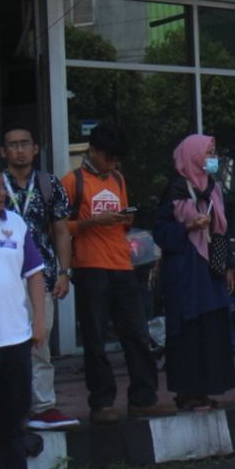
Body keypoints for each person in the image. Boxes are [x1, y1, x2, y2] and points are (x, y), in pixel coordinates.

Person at [61, 125, 174, 424]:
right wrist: (93, 221)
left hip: (122, 265)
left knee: (137, 334)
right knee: (95, 338)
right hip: (89, 267)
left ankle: (143, 398)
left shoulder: (117, 179)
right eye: (109, 158)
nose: (113, 164)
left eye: (117, 160)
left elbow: (124, 222)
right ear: (93, 151)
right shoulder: (73, 182)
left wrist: (124, 219)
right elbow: (60, 228)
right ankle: (101, 403)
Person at [0, 124, 78, 430]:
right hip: (1, 280)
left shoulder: (49, 185)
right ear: (3, 152)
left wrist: (63, 272)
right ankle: (0, 410)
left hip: (41, 276)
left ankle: (43, 407)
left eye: (24, 143)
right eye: (12, 145)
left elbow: (61, 231)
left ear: (35, 149)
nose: (19, 150)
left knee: (39, 343)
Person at [153, 135, 235, 411]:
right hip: (185, 272)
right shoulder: (175, 191)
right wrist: (188, 227)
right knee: (188, 332)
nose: (212, 158)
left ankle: (205, 390)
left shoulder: (214, 189)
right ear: (193, 156)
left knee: (211, 328)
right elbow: (161, 233)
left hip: (211, 271)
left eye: (213, 152)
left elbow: (222, 231)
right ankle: (187, 393)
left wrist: (228, 266)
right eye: (208, 152)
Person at [0, 163, 47, 469]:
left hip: (13, 338)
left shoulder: (15, 223)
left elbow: (35, 272)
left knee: (12, 418)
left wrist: (39, 318)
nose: (2, 192)